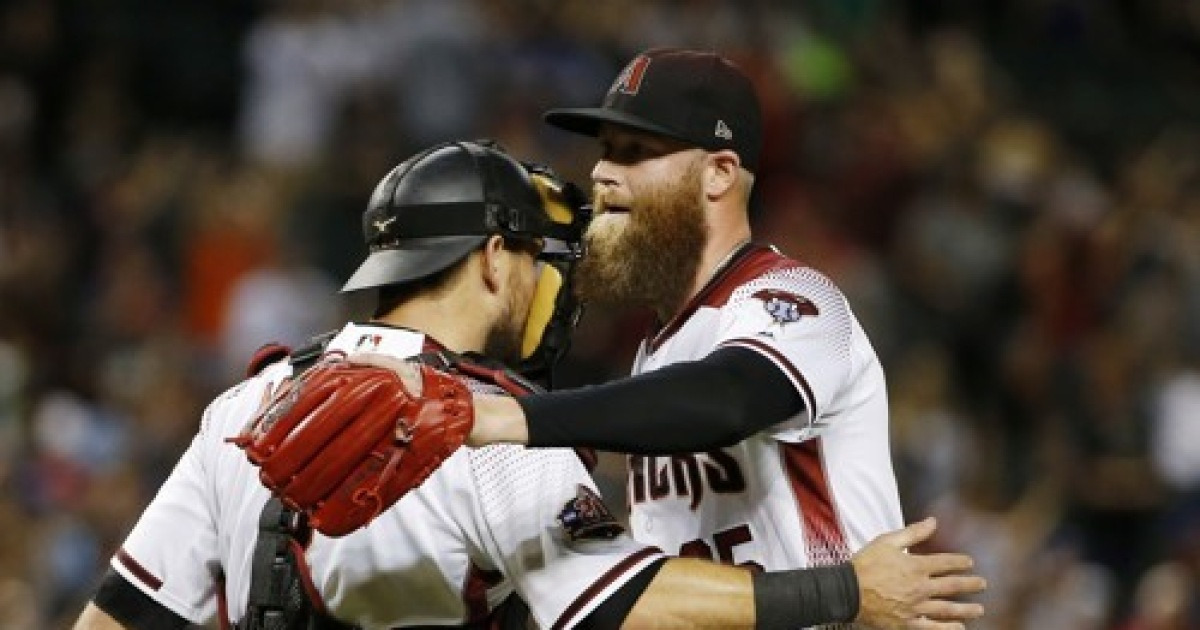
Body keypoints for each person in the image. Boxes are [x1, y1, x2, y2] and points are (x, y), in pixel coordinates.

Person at [73, 141, 984, 630]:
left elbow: (117, 619)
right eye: (544, 256)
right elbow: (629, 606)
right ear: (495, 260)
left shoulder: (247, 404)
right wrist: (845, 596)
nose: (559, 283)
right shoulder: (483, 427)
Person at [447, 47, 910, 614]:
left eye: (635, 152)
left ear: (718, 173)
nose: (599, 172)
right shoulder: (657, 353)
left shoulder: (795, 298)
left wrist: (500, 417)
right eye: (605, 151)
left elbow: (730, 398)